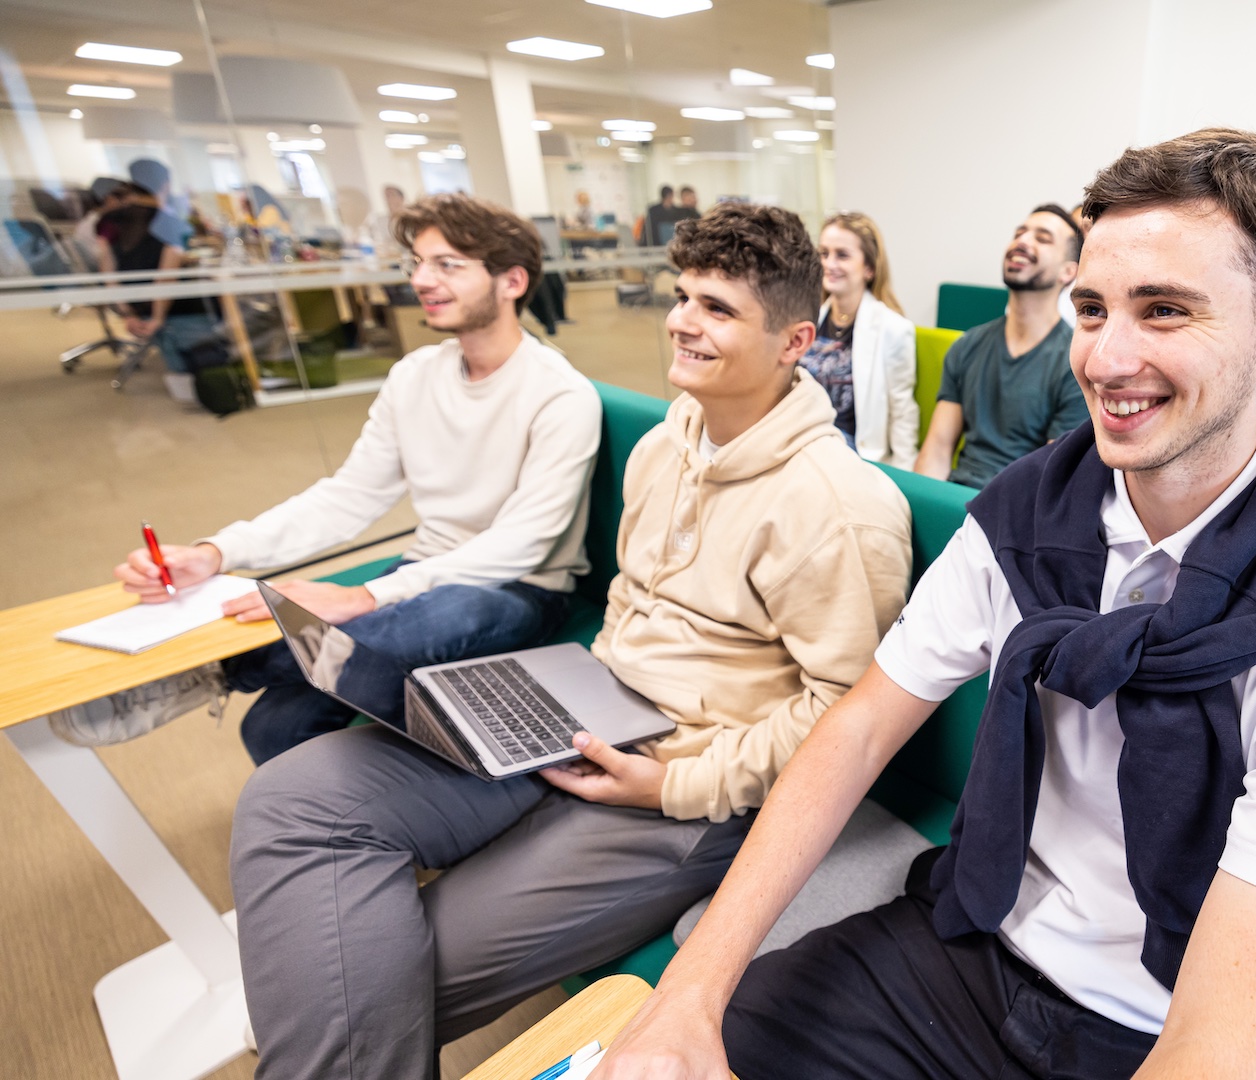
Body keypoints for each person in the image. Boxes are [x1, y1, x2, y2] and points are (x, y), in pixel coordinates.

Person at [591, 127, 1256, 1080]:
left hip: (1155, 1021)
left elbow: (1226, 1048)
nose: (1104, 358)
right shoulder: (1031, 510)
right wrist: (688, 999)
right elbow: (855, 732)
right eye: (1091, 309)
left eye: (1167, 310)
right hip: (967, 941)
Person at [225, 201, 913, 1080]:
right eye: (682, 296)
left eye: (718, 308)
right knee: (292, 797)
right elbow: (629, 599)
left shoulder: (841, 508)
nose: (682, 322)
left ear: (793, 341)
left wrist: (673, 784)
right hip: (583, 706)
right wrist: (545, 693)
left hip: (689, 781)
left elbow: (846, 722)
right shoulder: (668, 445)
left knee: (375, 976)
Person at [114, 194, 601, 764]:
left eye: (447, 265)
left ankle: (207, 672)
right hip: (424, 573)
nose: (421, 279)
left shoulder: (561, 396)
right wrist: (217, 552)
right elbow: (348, 498)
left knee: (419, 623)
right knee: (271, 730)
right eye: (417, 263)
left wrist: (366, 595)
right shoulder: (415, 375)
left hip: (520, 588)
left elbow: (524, 544)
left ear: (512, 281)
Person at [914, 204, 1089, 488]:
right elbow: (937, 451)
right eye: (1020, 232)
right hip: (955, 497)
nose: (1022, 241)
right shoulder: (968, 345)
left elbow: (1052, 480)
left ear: (1068, 272)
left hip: (1016, 509)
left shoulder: (1073, 361)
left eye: (1042, 238)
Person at [803, 211, 918, 466]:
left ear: (869, 268)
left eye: (842, 255)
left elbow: (902, 413)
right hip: (802, 443)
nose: (829, 264)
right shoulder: (808, 317)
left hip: (851, 455)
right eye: (824, 253)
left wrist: (906, 480)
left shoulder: (893, 329)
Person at [95, 182, 223, 405]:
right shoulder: (167, 224)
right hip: (174, 308)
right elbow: (166, 279)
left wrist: (129, 314)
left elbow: (110, 279)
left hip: (142, 307)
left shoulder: (109, 227)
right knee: (225, 302)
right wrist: (157, 317)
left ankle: (190, 383)